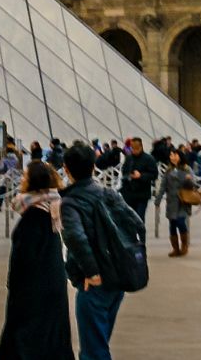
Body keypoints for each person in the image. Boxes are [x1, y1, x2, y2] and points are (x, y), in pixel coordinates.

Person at [59, 143, 144, 360]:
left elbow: (75, 237)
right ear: (93, 166)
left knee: (93, 351)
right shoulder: (108, 193)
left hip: (95, 282)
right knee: (99, 342)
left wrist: (92, 272)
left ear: (66, 169)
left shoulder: (70, 202)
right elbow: (136, 223)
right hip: (118, 277)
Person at [0, 161, 73, 359]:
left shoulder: (34, 214)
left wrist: (13, 285)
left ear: (33, 181)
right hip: (53, 282)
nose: (22, 178)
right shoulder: (52, 207)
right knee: (50, 336)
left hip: (33, 287)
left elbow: (24, 257)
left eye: (26, 176)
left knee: (26, 337)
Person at [159, 149, 197, 258]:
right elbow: (163, 185)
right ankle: (175, 249)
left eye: (174, 155)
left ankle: (184, 245)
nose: (172, 157)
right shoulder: (168, 170)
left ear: (179, 156)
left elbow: (193, 184)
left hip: (182, 200)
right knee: (172, 225)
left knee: (181, 221)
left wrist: (189, 180)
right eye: (171, 155)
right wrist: (158, 198)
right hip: (171, 201)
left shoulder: (186, 168)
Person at [119, 136, 159, 220]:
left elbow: (154, 174)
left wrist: (141, 175)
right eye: (132, 148)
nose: (133, 150)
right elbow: (124, 171)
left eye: (136, 148)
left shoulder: (149, 159)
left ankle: (141, 233)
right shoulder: (129, 158)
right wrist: (128, 175)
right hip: (128, 193)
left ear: (141, 147)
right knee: (129, 219)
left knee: (139, 218)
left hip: (142, 194)